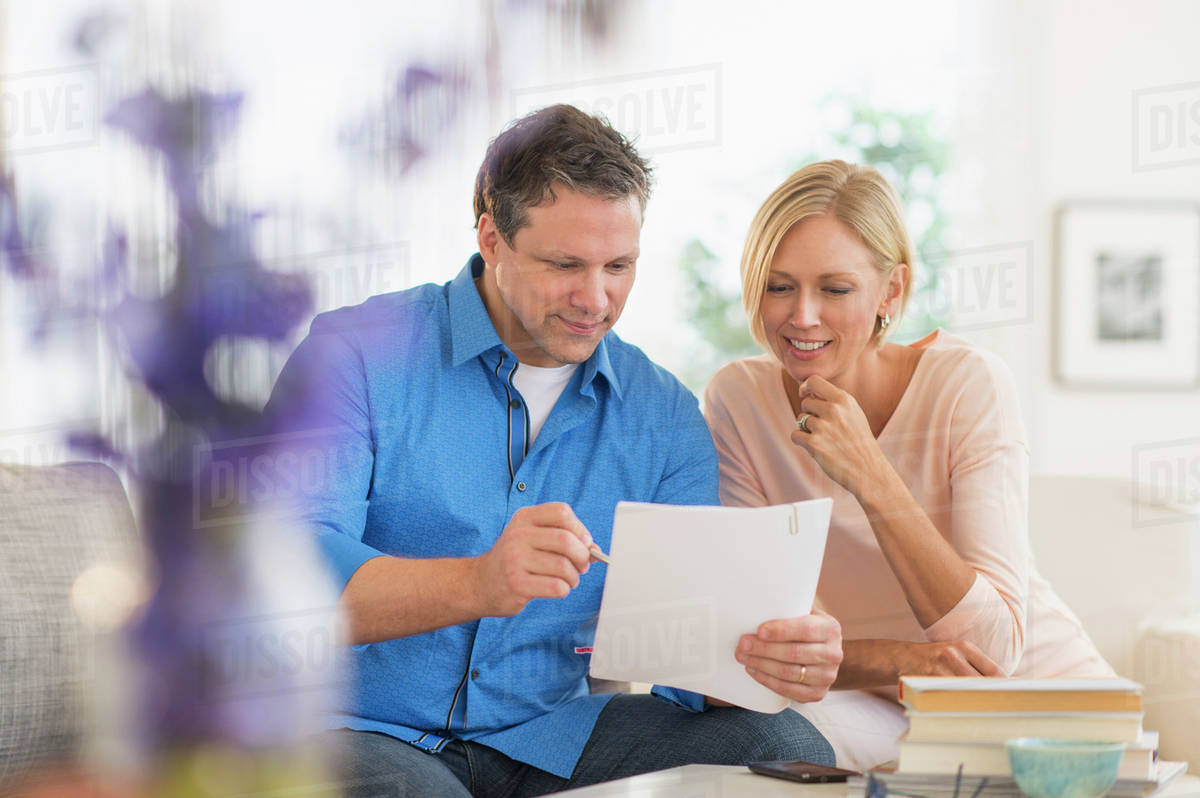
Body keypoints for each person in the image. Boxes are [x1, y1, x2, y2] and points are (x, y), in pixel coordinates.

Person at [266, 105, 841, 797]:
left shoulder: (662, 415)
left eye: (619, 266)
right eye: (565, 264)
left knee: (784, 748)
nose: (594, 298)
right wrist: (478, 583)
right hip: (351, 730)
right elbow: (291, 584)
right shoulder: (354, 354)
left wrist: (766, 660)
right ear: (493, 238)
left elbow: (690, 663)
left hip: (548, 739)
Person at [703, 160, 1114, 772]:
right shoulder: (738, 399)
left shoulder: (967, 383)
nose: (802, 316)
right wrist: (897, 659)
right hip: (883, 707)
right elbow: (761, 644)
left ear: (889, 292)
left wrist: (871, 473)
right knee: (754, 729)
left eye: (835, 289)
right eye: (778, 285)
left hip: (1034, 705)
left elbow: (993, 652)